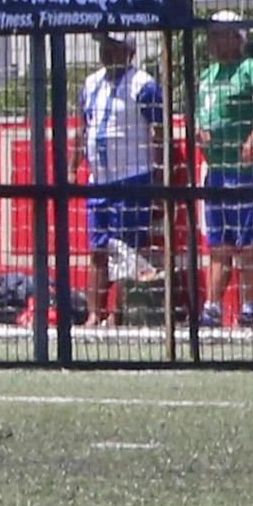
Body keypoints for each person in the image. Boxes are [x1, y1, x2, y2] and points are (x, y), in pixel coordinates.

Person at [192, 12, 253, 332]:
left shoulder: (252, 70)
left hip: (249, 172)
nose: (213, 40)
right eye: (212, 33)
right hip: (216, 172)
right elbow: (198, 115)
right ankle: (212, 309)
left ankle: (250, 311)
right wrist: (198, 130)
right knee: (218, 244)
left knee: (250, 243)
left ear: (238, 37)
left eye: (220, 33)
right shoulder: (206, 76)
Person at [77, 26, 168, 324]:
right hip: (98, 181)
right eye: (104, 45)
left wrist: (159, 176)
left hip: (132, 178)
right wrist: (73, 166)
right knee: (98, 249)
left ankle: (118, 315)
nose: (106, 51)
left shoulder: (143, 85)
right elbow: (83, 128)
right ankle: (94, 314)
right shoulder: (91, 84)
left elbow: (160, 132)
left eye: (113, 45)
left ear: (129, 51)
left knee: (127, 250)